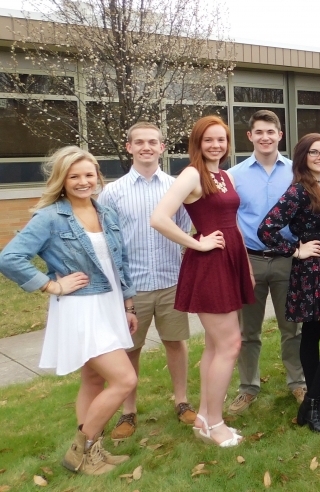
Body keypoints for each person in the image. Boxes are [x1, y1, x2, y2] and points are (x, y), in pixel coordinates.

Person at [0, 146, 137, 474]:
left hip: (109, 304)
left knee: (92, 380)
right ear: (61, 180)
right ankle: (81, 451)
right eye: (74, 176)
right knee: (124, 379)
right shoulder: (49, 216)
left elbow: (119, 263)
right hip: (81, 309)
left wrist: (128, 305)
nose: (82, 181)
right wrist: (52, 285)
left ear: (98, 177)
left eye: (89, 174)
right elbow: (9, 258)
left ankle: (94, 452)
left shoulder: (105, 213)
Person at [151, 115, 254, 448]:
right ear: (198, 143)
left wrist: (246, 265)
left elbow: (232, 222)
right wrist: (197, 243)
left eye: (221, 139)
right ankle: (215, 423)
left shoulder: (224, 176)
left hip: (231, 261)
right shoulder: (192, 174)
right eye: (209, 140)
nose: (216, 145)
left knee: (215, 345)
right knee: (230, 344)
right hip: (209, 265)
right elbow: (159, 218)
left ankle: (207, 418)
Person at [98, 122, 197, 440]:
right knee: (130, 349)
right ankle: (128, 411)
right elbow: (108, 240)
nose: (146, 147)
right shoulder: (112, 192)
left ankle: (181, 401)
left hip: (170, 280)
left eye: (152, 142)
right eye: (139, 142)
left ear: (162, 147)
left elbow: (184, 230)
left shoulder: (175, 186)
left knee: (175, 343)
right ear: (129, 148)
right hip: (132, 287)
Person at [258, 133, 320, 433]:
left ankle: (316, 399)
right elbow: (267, 229)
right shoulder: (299, 191)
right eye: (314, 152)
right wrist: (295, 250)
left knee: (312, 335)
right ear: (303, 156)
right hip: (312, 272)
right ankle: (311, 404)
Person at [228, 110, 306, 415]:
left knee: (293, 329)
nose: (265, 137)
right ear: (250, 137)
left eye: (270, 132)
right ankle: (247, 388)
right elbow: (231, 219)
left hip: (289, 260)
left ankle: (297, 382)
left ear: (280, 135)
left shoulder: (295, 171)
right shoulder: (234, 176)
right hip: (251, 261)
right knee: (248, 331)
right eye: (259, 132)